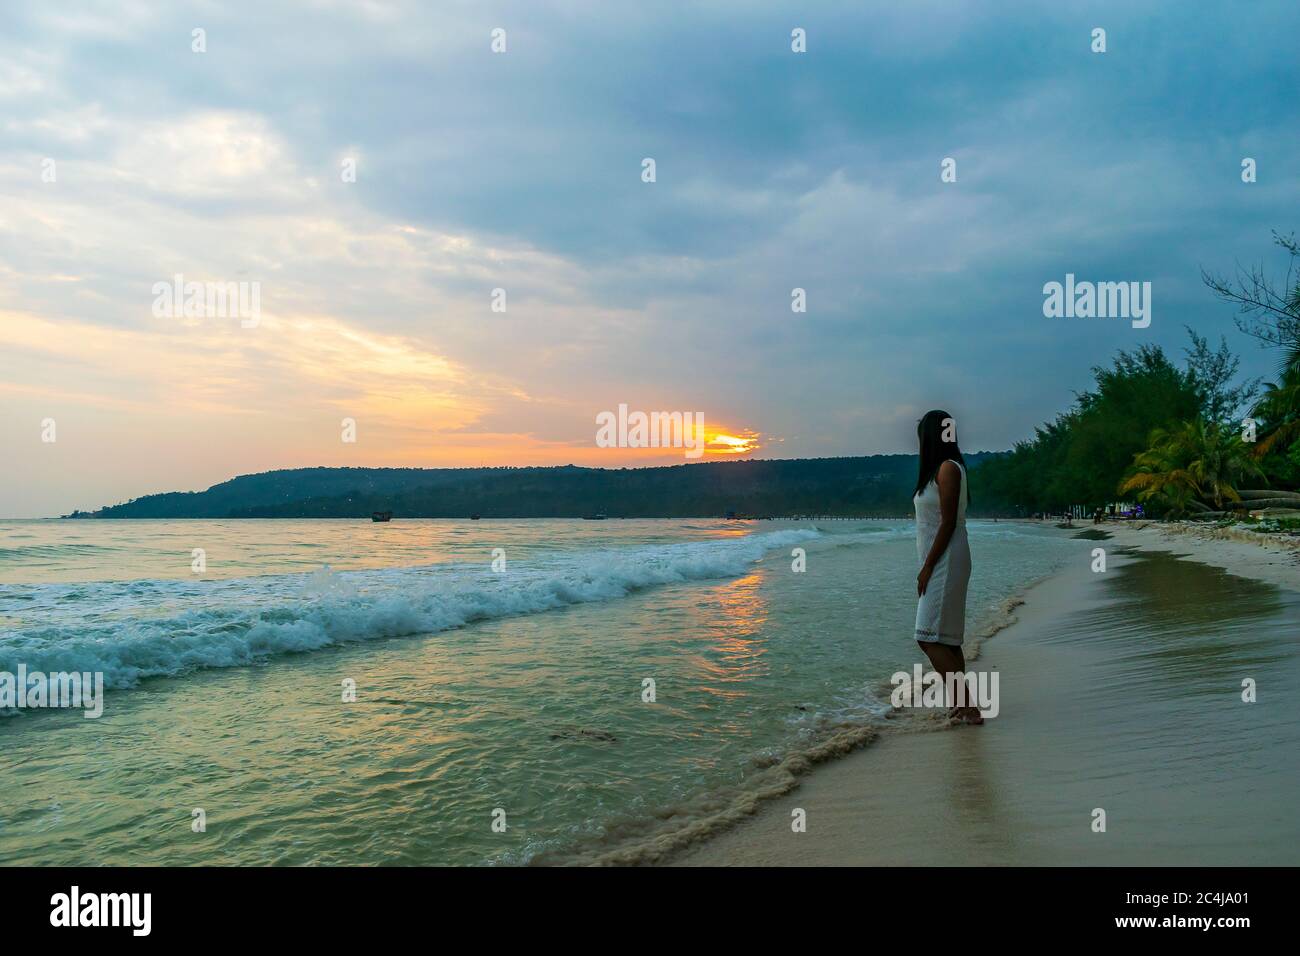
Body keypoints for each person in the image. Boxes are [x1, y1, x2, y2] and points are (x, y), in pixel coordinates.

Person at [912, 410, 981, 724]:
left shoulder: (948, 468)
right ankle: (962, 705)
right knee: (948, 639)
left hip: (947, 559)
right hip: (944, 558)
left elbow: (949, 521)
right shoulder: (940, 469)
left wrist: (927, 566)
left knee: (927, 637)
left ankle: (968, 706)